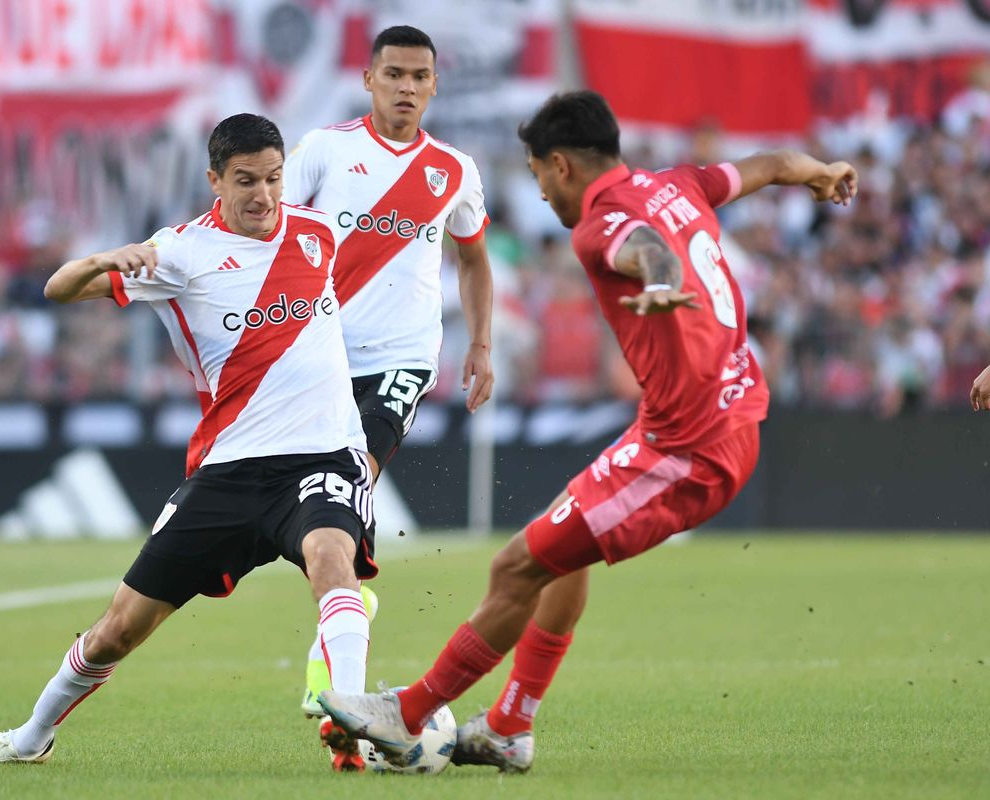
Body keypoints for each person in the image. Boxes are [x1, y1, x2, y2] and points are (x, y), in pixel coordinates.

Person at [318, 91, 859, 773]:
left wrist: (662, 278)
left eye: (538, 172)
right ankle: (508, 726)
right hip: (715, 418)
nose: (540, 190)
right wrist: (820, 169)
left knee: (515, 565)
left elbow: (647, 249)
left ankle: (409, 714)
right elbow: (773, 163)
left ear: (562, 165)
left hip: (688, 448)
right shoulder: (675, 184)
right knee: (555, 552)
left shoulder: (599, 225)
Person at [0, 114, 377, 772]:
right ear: (215, 181)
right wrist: (105, 259)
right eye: (246, 181)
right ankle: (29, 738)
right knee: (119, 629)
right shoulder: (180, 253)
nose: (264, 195)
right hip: (228, 472)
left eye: (275, 179)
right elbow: (58, 290)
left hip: (320, 457)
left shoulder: (315, 233)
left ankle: (354, 723)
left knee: (330, 558)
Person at [282, 23, 496, 720]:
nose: (407, 87)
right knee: (320, 498)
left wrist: (481, 345)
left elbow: (474, 260)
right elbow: (275, 238)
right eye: (394, 74)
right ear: (369, 79)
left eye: (419, 77)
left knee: (352, 475)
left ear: (435, 85)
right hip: (320, 353)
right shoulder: (324, 150)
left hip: (403, 358)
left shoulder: (455, 169)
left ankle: (332, 668)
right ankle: (352, 598)